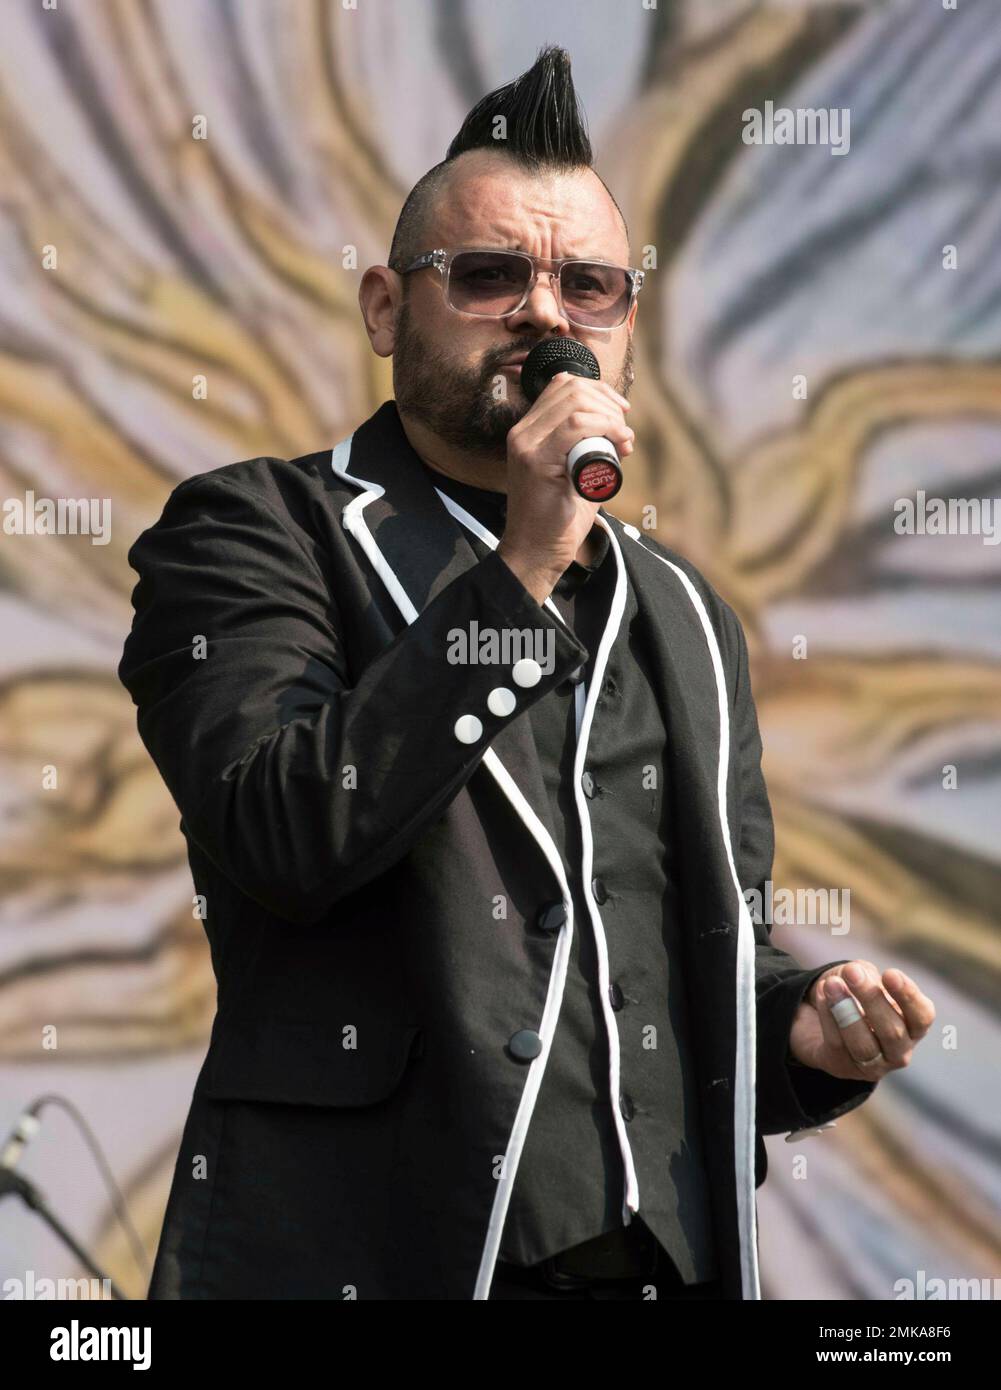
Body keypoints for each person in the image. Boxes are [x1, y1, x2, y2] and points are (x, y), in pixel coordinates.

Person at [118, 45, 935, 1302]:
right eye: (490, 276)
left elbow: (694, 960)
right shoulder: (253, 530)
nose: (546, 316)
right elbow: (279, 827)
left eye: (587, 286)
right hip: (379, 1254)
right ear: (387, 307)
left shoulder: (683, 613)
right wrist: (528, 558)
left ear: (622, 323)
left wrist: (802, 1029)